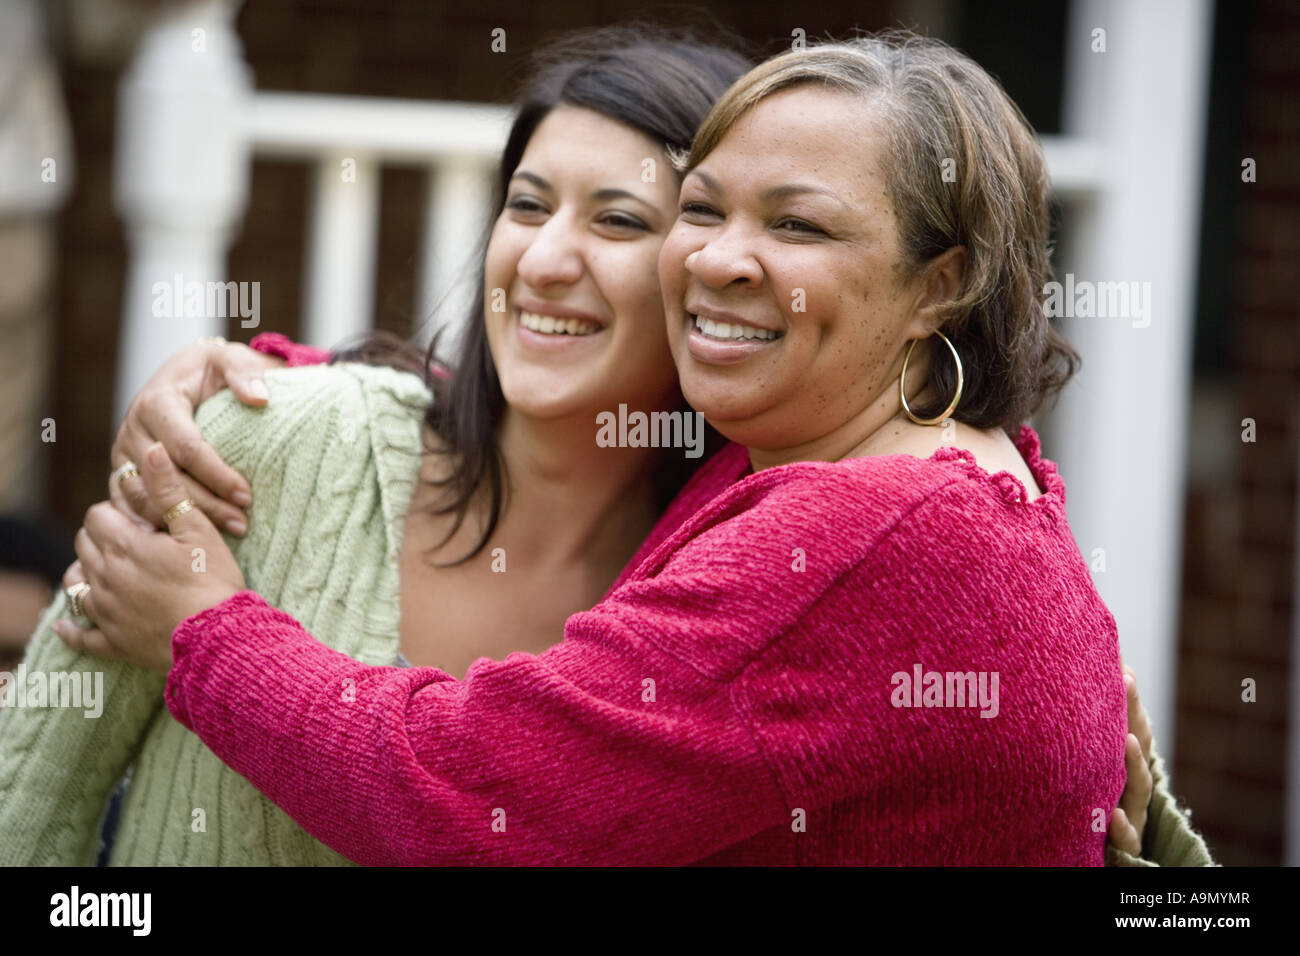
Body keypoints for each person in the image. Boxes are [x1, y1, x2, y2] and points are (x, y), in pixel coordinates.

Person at [46, 32, 1214, 865]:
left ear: (940, 280)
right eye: (704, 207)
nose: (717, 259)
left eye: (795, 223)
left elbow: (470, 799)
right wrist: (293, 377)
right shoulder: (916, 460)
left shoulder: (864, 537)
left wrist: (203, 629)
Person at [0, 25, 750, 865]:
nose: (541, 260)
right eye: (527, 205)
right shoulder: (263, 440)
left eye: (617, 221)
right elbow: (31, 794)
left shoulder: (710, 597)